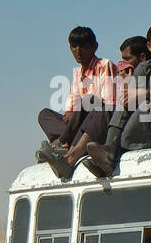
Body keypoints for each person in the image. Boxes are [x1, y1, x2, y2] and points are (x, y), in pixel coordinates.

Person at [83, 22, 151, 176]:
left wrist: (145, 93)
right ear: (149, 46)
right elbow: (129, 99)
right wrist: (137, 94)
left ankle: (112, 154)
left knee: (146, 105)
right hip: (149, 118)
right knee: (129, 101)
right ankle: (109, 148)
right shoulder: (144, 67)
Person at [35, 27, 118, 177]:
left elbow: (108, 102)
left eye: (83, 46)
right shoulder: (78, 72)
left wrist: (77, 112)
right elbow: (70, 109)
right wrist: (72, 114)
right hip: (78, 125)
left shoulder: (104, 65)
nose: (78, 51)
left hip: (99, 120)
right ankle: (63, 143)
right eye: (74, 46)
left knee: (91, 100)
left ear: (94, 47)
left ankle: (64, 147)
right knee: (44, 114)